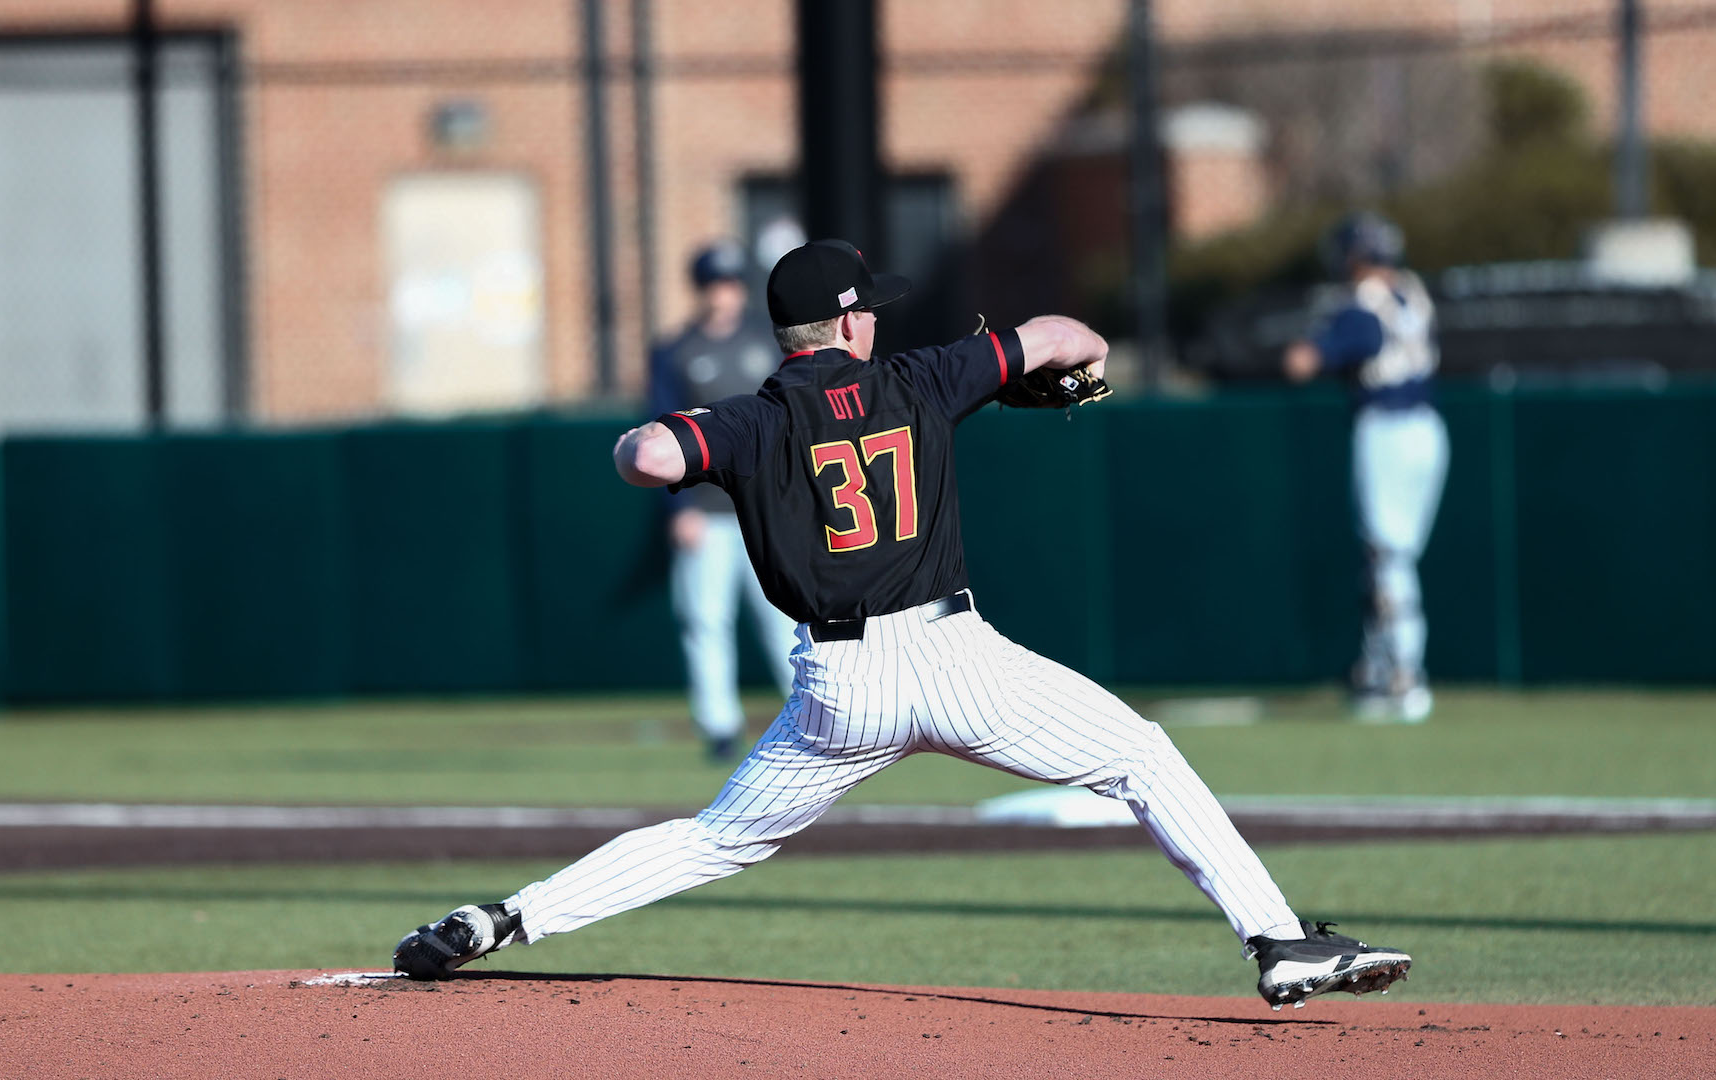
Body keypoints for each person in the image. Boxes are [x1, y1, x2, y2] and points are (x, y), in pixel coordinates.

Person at [395, 239, 1411, 1011]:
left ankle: (506, 917)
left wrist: (646, 443)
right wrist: (1058, 370)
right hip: (955, 656)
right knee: (1141, 758)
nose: (875, 322)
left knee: (715, 840)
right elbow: (1066, 340)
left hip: (839, 687)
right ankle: (1278, 941)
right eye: (865, 311)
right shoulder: (918, 379)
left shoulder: (755, 417)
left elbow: (652, 459)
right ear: (844, 327)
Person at [1285, 212, 1449, 724]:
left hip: (1387, 430)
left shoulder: (1361, 305)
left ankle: (1405, 675)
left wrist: (1299, 348)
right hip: (1429, 429)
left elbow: (1304, 362)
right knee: (1395, 558)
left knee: (1389, 557)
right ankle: (1379, 672)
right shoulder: (1412, 295)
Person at [650, 242, 797, 761]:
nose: (724, 294)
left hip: (767, 509)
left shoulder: (768, 341)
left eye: (731, 283)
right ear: (701, 289)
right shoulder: (677, 350)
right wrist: (679, 507)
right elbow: (662, 432)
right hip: (707, 512)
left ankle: (810, 715)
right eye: (715, 284)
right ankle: (718, 727)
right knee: (705, 619)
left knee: (785, 619)